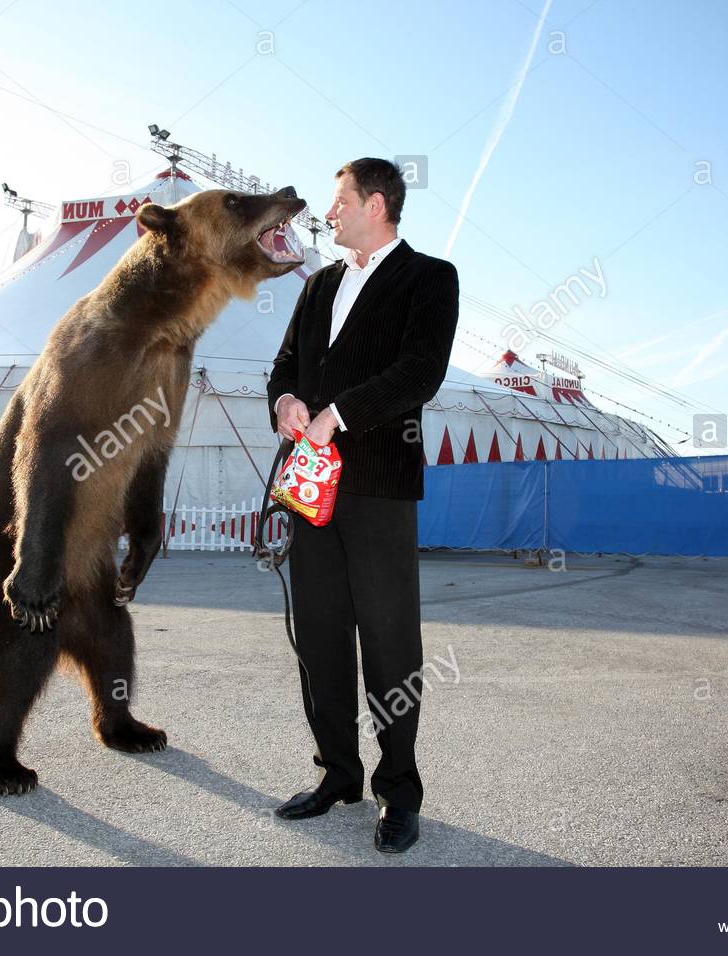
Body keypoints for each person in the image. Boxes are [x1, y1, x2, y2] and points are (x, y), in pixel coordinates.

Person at [267, 158, 459, 854]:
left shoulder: (430, 278)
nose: (332, 211)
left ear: (377, 203)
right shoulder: (317, 284)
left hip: (377, 486)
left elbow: (419, 373)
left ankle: (398, 791)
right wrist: (286, 401)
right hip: (311, 489)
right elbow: (286, 366)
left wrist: (337, 414)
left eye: (341, 200)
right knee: (318, 635)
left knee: (387, 643)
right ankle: (337, 776)